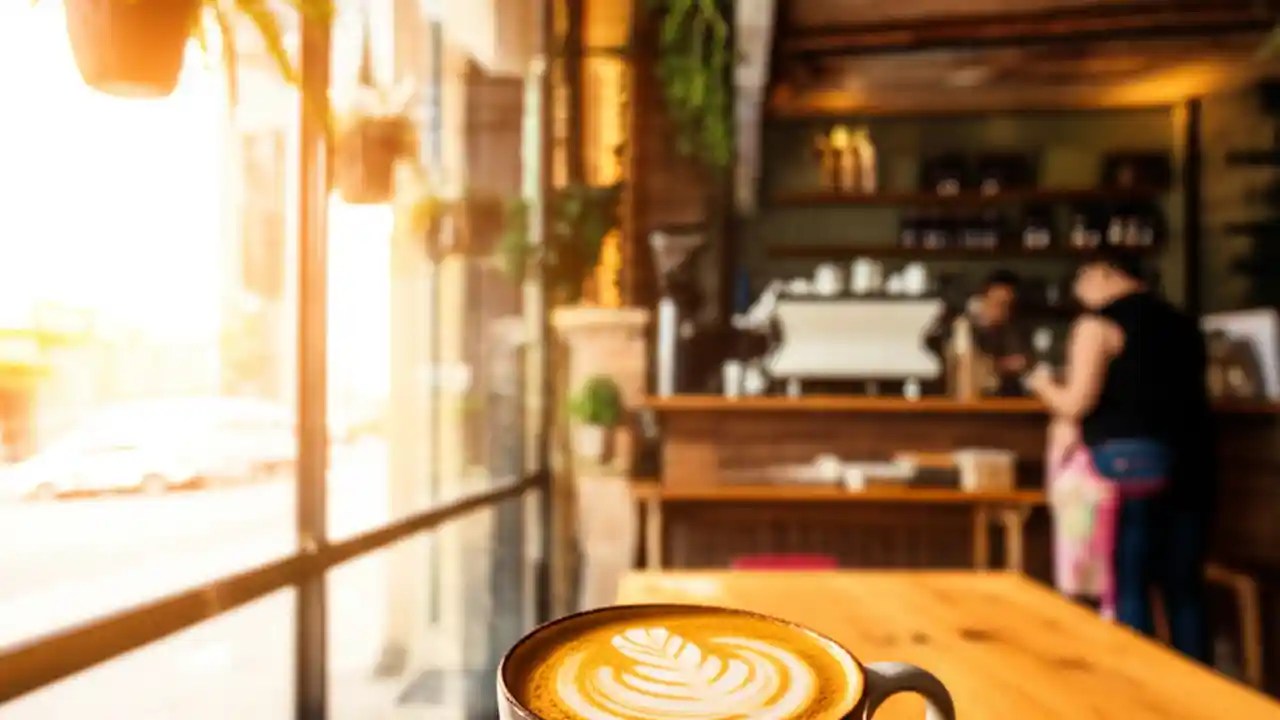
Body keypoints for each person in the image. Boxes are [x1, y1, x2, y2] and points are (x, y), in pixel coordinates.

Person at [1027, 248, 1215, 663]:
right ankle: (1203, 693)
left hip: (1128, 467)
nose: (1078, 291)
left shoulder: (1099, 324)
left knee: (1128, 581)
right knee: (1182, 586)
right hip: (1192, 465)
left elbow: (1076, 403)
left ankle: (1136, 688)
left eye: (1081, 279)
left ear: (1105, 273)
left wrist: (1040, 383)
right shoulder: (1184, 324)